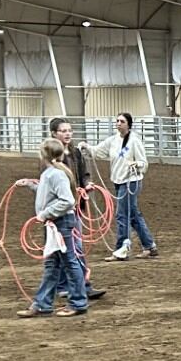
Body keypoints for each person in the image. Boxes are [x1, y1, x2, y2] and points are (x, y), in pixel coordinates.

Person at [19, 139, 90, 318]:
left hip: (60, 223)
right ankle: (43, 303)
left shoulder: (54, 174)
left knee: (68, 261)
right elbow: (50, 195)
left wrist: (45, 214)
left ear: (44, 155)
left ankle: (77, 302)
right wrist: (30, 185)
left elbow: (67, 201)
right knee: (54, 263)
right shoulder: (53, 173)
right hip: (56, 224)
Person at [50, 117, 106, 300]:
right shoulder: (51, 156)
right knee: (70, 248)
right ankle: (79, 286)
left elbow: (84, 175)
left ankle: (70, 286)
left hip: (75, 207)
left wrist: (87, 184)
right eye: (63, 131)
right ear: (54, 133)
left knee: (69, 248)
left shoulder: (75, 153)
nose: (67, 134)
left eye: (69, 130)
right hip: (62, 209)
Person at [92, 113, 156, 261]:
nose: (118, 123)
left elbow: (143, 163)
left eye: (122, 121)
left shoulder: (134, 141)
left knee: (122, 214)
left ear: (128, 124)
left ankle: (122, 247)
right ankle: (149, 245)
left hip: (131, 181)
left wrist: (137, 165)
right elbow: (98, 151)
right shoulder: (113, 140)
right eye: (117, 121)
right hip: (118, 180)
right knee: (133, 214)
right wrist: (85, 148)